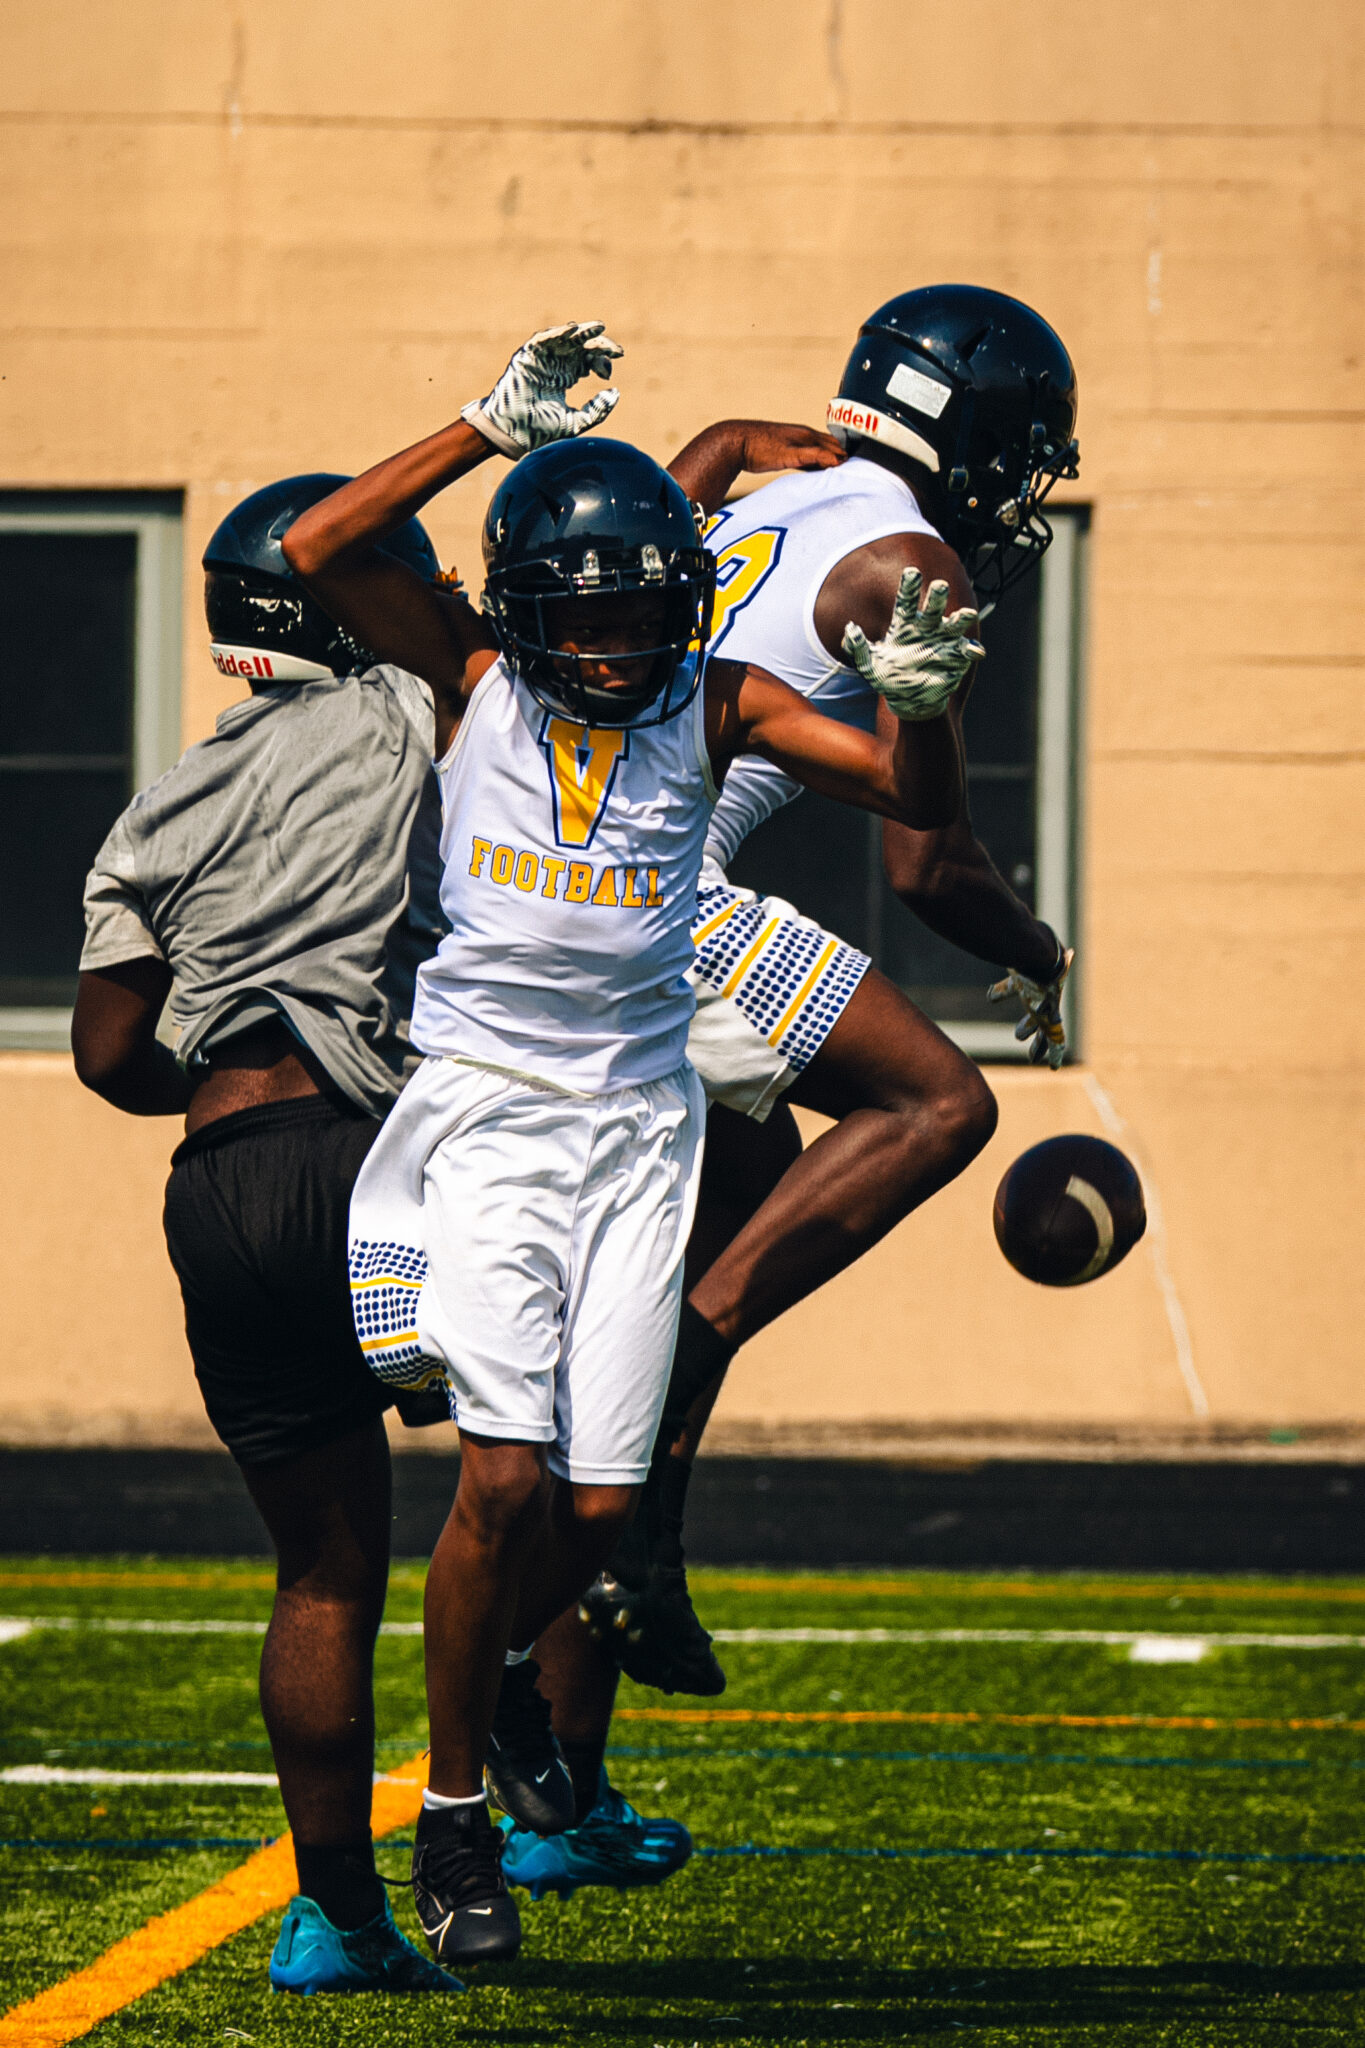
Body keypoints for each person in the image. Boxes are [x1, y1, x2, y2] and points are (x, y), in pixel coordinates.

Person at [279, 319, 990, 1967]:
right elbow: (324, 544)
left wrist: (928, 702)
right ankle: (454, 1822)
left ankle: (512, 1729)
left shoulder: (720, 694)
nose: (605, 640)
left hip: (638, 1135)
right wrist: (480, 422)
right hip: (489, 1124)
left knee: (599, 1522)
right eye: (577, 609)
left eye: (633, 607)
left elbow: (902, 788)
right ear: (525, 609)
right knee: (504, 1484)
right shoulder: (475, 678)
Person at [508, 283, 1081, 1900]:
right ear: (975, 437)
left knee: (611, 1356)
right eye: (1021, 454)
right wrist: (1036, 951)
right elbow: (930, 852)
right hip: (660, 911)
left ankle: (564, 1793)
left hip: (540, 905)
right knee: (936, 1109)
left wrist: (748, 439)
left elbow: (689, 458)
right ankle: (688, 1364)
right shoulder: (913, 559)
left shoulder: (767, 486)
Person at [71, 470, 473, 1999]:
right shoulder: (399, 719)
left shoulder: (158, 800)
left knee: (319, 1576)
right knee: (539, 1470)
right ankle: (534, 1789)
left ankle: (333, 1919)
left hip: (225, 1176)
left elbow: (112, 1059)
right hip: (388, 1165)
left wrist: (236, 1063)